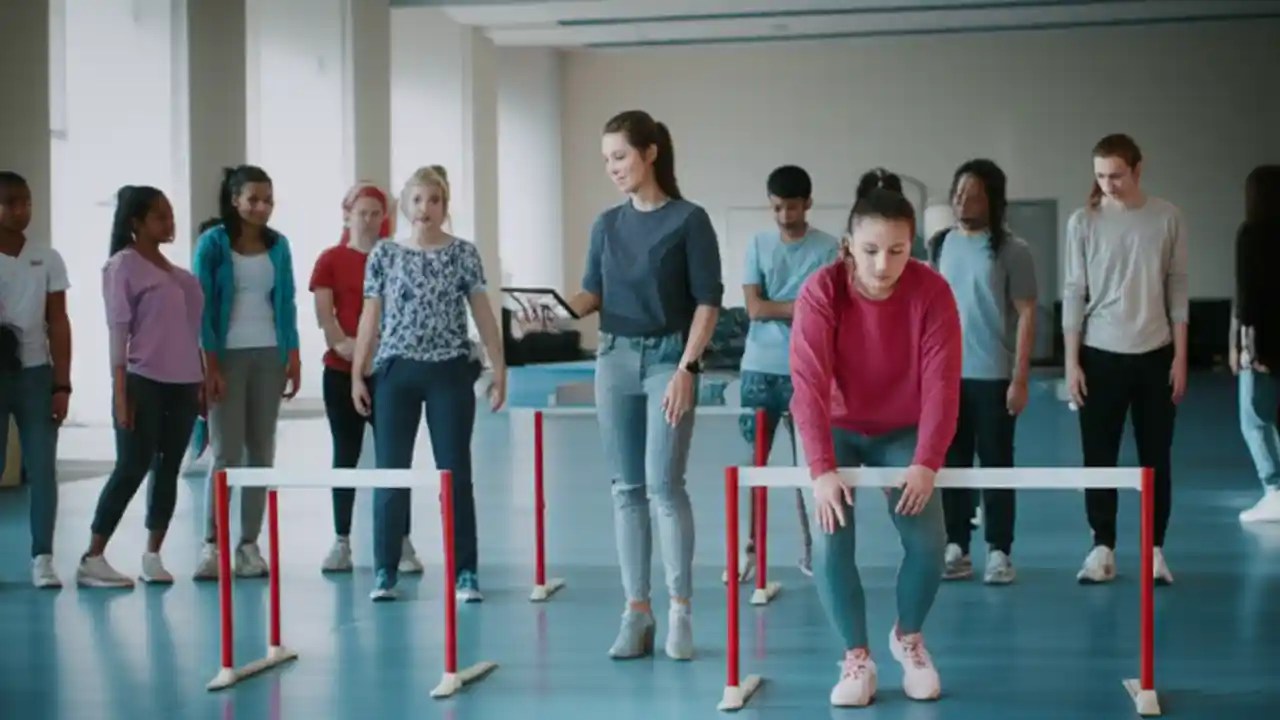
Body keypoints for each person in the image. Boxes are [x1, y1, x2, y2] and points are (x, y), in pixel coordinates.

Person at [558, 110, 722, 661]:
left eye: (620, 156)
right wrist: (552, 312)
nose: (613, 168)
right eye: (606, 160)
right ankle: (636, 612)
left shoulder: (689, 220)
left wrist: (686, 370)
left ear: (650, 153)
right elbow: (590, 295)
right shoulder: (606, 225)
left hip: (668, 361)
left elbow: (708, 301)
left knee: (662, 486)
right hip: (614, 360)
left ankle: (679, 610)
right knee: (625, 489)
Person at [790, 175, 959, 707]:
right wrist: (820, 468)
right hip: (837, 427)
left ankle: (908, 638)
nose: (883, 265)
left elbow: (941, 383)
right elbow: (808, 384)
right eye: (869, 251)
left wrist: (927, 461)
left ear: (914, 247)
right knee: (832, 537)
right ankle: (856, 656)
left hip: (904, 430)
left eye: (897, 251)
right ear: (848, 247)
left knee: (929, 543)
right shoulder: (821, 291)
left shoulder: (933, 291)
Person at [352, 165, 506, 603]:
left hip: (449, 370)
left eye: (434, 201)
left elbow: (482, 314)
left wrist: (499, 368)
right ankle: (384, 569)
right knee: (390, 471)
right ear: (405, 205)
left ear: (445, 206)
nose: (425, 209)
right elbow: (370, 317)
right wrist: (357, 372)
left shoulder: (463, 254)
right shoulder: (384, 255)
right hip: (396, 371)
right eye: (417, 200)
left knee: (454, 471)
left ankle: (465, 572)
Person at [1063, 134, 1187, 585]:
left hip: (1155, 353)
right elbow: (1074, 291)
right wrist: (1072, 361)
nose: (1108, 184)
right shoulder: (1083, 222)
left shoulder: (1167, 217)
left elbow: (1177, 287)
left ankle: (1155, 550)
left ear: (1138, 169)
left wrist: (1181, 356)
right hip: (1100, 353)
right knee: (1099, 455)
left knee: (1157, 458)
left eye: (1116, 175)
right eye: (1100, 175)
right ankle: (1102, 547)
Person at [76, 186, 203, 587]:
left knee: (168, 470)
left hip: (184, 383)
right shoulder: (122, 267)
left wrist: (200, 381)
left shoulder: (180, 275)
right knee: (131, 467)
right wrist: (119, 394)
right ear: (136, 223)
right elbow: (119, 334)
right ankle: (93, 557)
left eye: (171, 214)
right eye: (159, 216)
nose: (170, 222)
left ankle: (153, 555)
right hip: (143, 381)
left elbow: (191, 333)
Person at [928, 159, 1036, 584]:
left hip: (993, 376)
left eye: (971, 194)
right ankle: (956, 543)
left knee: (995, 464)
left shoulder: (1013, 251)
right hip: (946, 377)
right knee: (950, 464)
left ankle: (999, 550)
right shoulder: (939, 245)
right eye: (957, 194)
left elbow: (1027, 315)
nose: (961, 202)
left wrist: (1020, 378)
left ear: (991, 199)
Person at [191, 165, 302, 581]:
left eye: (268, 199)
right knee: (225, 452)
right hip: (227, 357)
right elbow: (200, 310)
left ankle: (248, 544)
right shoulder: (212, 244)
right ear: (235, 200)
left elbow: (286, 300)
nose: (262, 207)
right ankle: (212, 544)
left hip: (269, 354)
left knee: (262, 452)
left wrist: (293, 354)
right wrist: (210, 366)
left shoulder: (280, 246)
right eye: (253, 199)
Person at [310, 182, 424, 573]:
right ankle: (341, 541)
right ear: (348, 214)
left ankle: (402, 541)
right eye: (363, 212)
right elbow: (327, 320)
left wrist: (380, 355)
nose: (371, 220)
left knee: (394, 457)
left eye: (378, 213)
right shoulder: (330, 260)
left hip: (389, 370)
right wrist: (354, 353)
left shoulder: (397, 257)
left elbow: (406, 311)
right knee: (346, 454)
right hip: (341, 370)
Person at [733, 165, 838, 581]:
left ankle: (813, 550)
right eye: (777, 208)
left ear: (807, 204)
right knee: (753, 465)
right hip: (758, 370)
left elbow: (829, 310)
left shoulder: (829, 249)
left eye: (792, 207)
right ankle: (749, 552)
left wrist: (785, 305)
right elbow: (754, 308)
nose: (784, 216)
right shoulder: (757, 244)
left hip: (806, 371)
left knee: (809, 466)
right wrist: (802, 306)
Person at [0, 170, 72, 589]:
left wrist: (62, 384)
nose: (20, 209)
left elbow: (58, 321)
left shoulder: (47, 258)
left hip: (35, 375)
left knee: (42, 467)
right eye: (10, 202)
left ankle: (42, 556)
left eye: (25, 201)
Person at [1233, 165, 1280, 523]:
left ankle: (1274, 489)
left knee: (1254, 419)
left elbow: (1248, 296)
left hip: (1265, 339)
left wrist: (1246, 345)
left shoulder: (1252, 234)